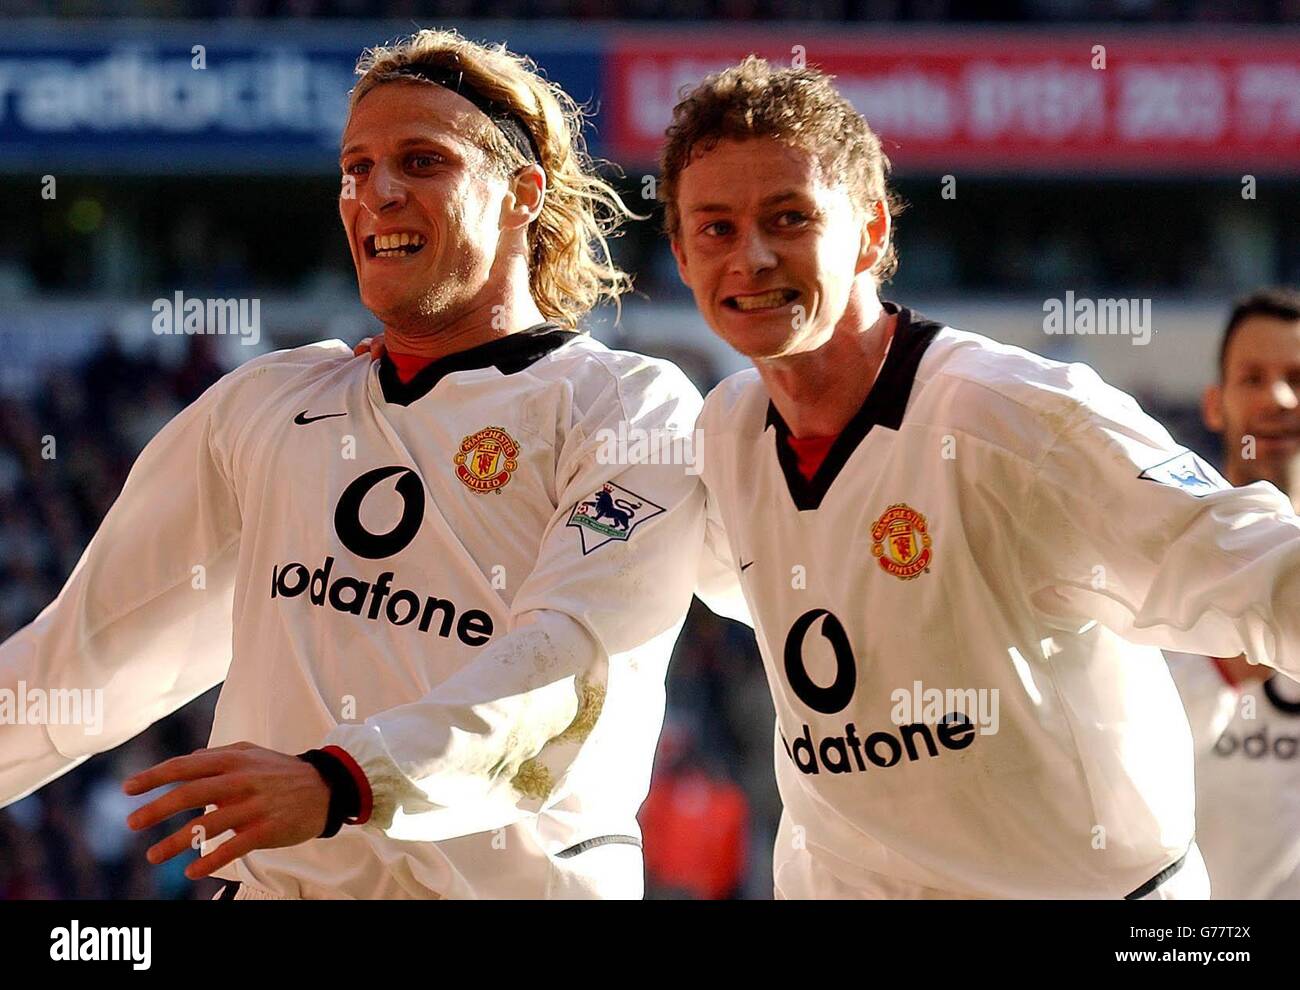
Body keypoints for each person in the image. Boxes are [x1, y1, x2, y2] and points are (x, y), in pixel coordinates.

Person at [0, 29, 708, 900]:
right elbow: (77, 663)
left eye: (421, 161)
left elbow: (569, 671)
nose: (377, 193)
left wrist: (346, 781)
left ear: (522, 193)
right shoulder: (263, 403)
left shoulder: (628, 405)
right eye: (356, 168)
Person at [663, 56, 1300, 898]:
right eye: (716, 228)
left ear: (873, 232)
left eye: (789, 218)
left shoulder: (1020, 418)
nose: (751, 257)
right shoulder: (723, 436)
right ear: (677, 252)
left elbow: (1254, 565)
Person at [1167, 287, 1300, 899]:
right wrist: (1222, 668)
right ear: (1215, 406)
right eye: (1254, 378)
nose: (1279, 398)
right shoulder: (1154, 566)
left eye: (1297, 377)